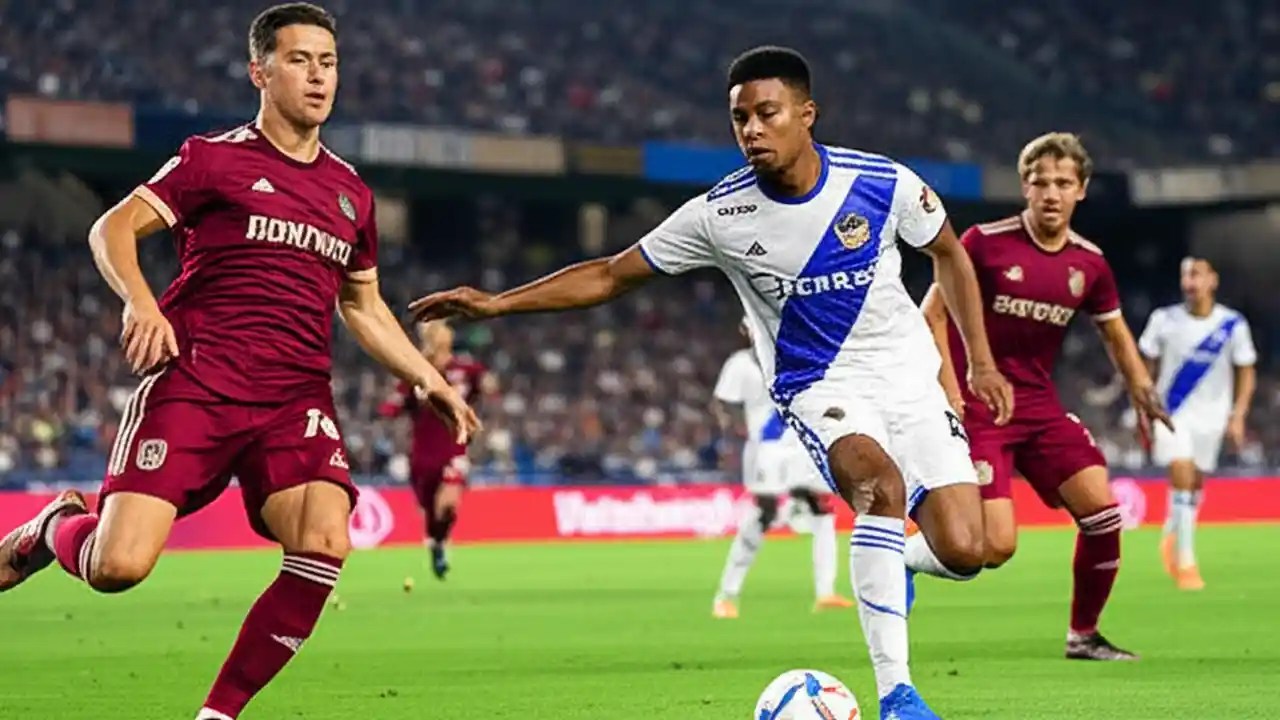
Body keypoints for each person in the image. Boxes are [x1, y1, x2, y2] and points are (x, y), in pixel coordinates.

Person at [410, 45, 1011, 720]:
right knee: (880, 487)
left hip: (908, 377)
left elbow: (949, 255)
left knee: (968, 549)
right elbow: (610, 273)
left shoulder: (883, 183)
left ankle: (895, 561)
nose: (751, 130)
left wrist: (980, 363)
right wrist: (499, 303)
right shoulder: (718, 215)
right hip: (819, 385)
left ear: (807, 114)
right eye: (739, 119)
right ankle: (898, 694)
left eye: (767, 113)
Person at [0, 5, 479, 719]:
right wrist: (141, 302)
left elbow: (362, 305)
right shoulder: (213, 159)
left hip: (295, 399)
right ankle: (55, 527)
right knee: (117, 567)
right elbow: (112, 228)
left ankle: (217, 714)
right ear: (260, 71)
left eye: (328, 62)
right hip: (197, 382)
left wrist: (429, 378)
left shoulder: (351, 193)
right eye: (299, 60)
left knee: (324, 541)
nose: (318, 77)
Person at [922, 132, 1169, 661]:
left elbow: (1114, 331)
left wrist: (1140, 388)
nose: (1051, 193)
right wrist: (951, 394)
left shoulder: (1090, 264)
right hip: (979, 408)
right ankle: (908, 553)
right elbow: (931, 316)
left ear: (1081, 190)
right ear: (1024, 187)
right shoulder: (983, 243)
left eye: (1063, 183)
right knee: (995, 548)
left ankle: (1084, 634)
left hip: (1038, 406)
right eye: (1040, 183)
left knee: (1103, 512)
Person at [710, 323, 853, 618]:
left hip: (800, 444)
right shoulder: (741, 364)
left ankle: (825, 593)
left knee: (821, 508)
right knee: (765, 512)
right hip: (766, 447)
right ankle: (726, 594)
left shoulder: (798, 355)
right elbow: (724, 403)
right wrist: (733, 435)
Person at [1138, 257, 1256, 590]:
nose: (1190, 282)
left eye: (1197, 274)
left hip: (1213, 416)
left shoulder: (1232, 325)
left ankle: (1173, 527)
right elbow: (1145, 367)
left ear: (1212, 280)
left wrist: (1238, 414)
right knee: (1182, 469)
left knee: (1194, 483)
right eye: (1186, 275)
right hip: (1171, 412)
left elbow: (1246, 370)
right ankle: (1186, 560)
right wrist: (1143, 408)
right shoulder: (1163, 320)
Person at [380, 320, 493, 579]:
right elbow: (392, 406)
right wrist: (395, 405)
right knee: (430, 511)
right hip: (422, 455)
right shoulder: (416, 374)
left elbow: (487, 386)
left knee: (448, 506)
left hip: (454, 450)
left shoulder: (465, 369)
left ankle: (439, 541)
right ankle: (436, 542)